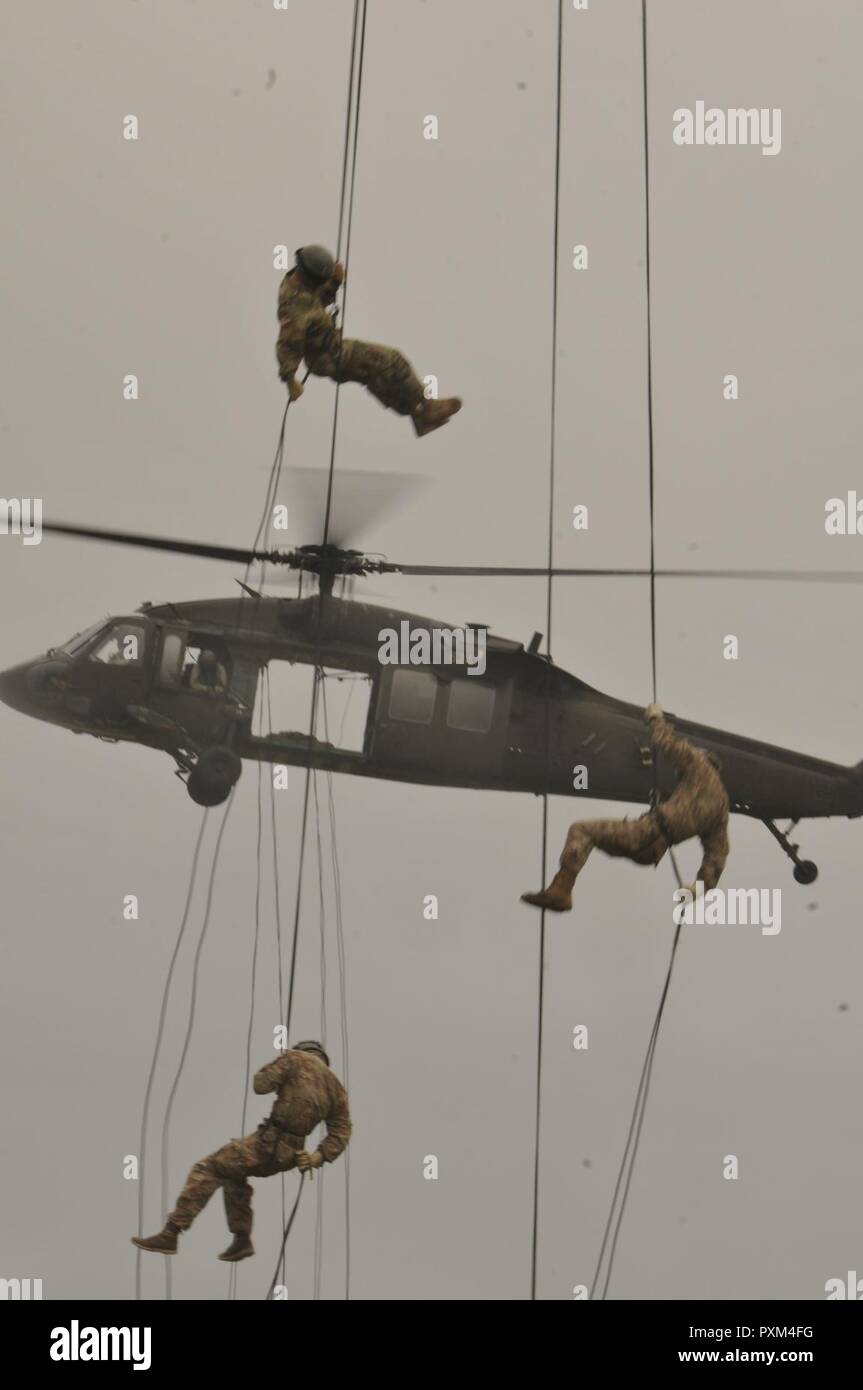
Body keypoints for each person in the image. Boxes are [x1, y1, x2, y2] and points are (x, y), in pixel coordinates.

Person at [132, 1041, 351, 1262]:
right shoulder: (336, 1088)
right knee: (232, 1173)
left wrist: (282, 1062)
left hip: (267, 1142)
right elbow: (342, 1131)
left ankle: (171, 1232)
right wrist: (316, 1157)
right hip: (289, 1156)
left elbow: (261, 1084)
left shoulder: (295, 1059)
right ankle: (241, 1239)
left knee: (209, 1167)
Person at [522, 704, 730, 912]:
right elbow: (717, 857)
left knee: (581, 831)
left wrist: (655, 719)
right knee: (593, 838)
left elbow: (667, 743)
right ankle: (561, 889)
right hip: (653, 851)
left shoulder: (698, 765)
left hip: (645, 833)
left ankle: (561, 890)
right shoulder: (720, 807)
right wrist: (698, 890)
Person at [276, 244, 462, 437]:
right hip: (328, 356)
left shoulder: (300, 284)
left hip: (327, 350)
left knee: (375, 377)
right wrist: (290, 379)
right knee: (392, 360)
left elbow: (317, 299)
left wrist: (334, 283)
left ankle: (418, 414)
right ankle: (426, 407)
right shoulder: (295, 307)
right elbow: (287, 344)